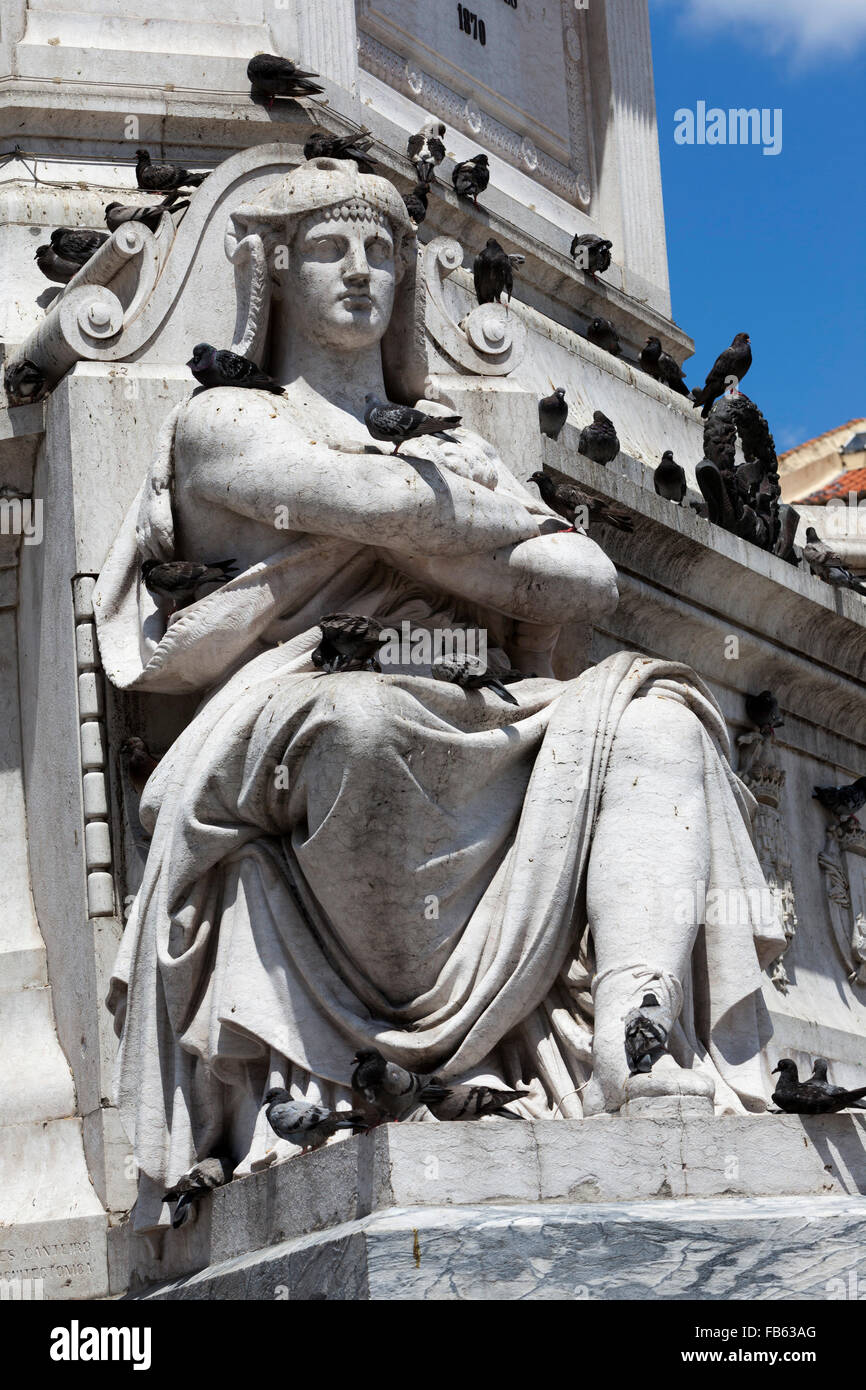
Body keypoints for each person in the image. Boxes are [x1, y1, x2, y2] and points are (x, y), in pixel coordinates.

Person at [95, 159, 784, 1230]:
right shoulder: (223, 420)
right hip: (307, 688)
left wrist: (422, 529)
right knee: (361, 720)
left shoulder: (450, 437)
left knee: (658, 717)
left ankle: (631, 1029)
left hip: (478, 688)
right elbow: (366, 493)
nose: (362, 271)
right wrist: (477, 537)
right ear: (273, 272)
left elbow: (585, 581)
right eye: (330, 248)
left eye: (382, 251)